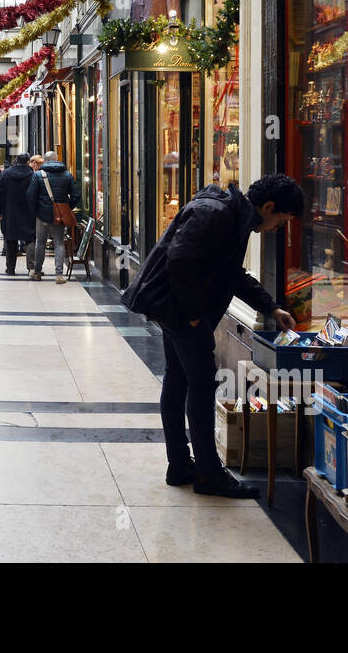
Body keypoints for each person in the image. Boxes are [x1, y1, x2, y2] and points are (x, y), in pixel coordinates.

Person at [121, 174, 303, 498]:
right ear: (269, 206)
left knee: (178, 380)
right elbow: (180, 261)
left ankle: (180, 465)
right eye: (281, 220)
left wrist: (272, 308)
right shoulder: (217, 215)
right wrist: (192, 317)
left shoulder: (233, 217)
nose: (279, 228)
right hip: (181, 313)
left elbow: (232, 274)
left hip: (176, 310)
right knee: (202, 384)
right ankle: (208, 474)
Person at [26, 150, 80, 283]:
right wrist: (66, 208)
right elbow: (76, 196)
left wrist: (36, 211)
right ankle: (59, 275)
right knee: (59, 243)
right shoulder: (67, 175)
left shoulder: (38, 174)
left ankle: (37, 272)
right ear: (57, 159)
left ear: (44, 160)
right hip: (60, 215)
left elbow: (30, 196)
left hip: (42, 215)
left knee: (40, 243)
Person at [0, 153, 36, 275]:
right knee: (30, 238)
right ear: (28, 162)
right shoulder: (32, 175)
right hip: (28, 211)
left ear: (16, 161)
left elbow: (0, 194)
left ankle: (10, 268)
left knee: (10, 239)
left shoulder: (5, 174)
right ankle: (31, 268)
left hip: (9, 211)